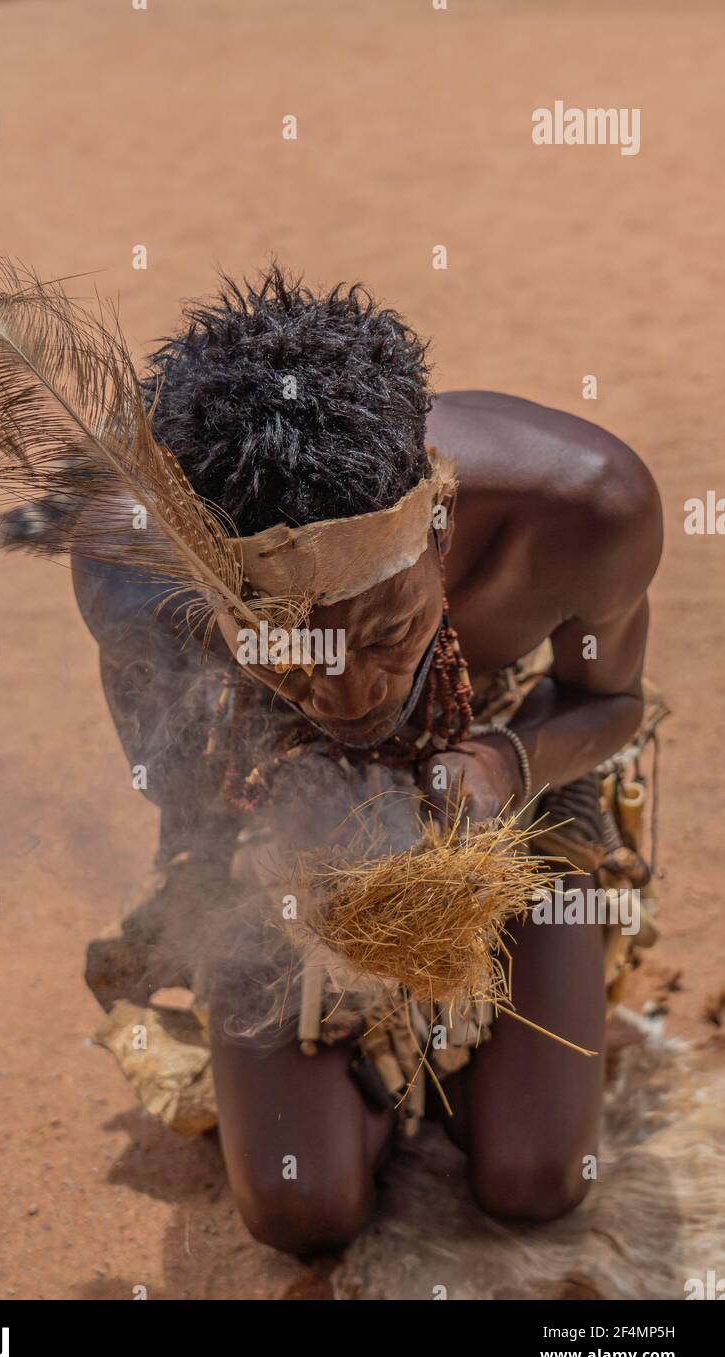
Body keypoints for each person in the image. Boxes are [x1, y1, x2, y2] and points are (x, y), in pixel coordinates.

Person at [51, 268, 662, 1255]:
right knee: (303, 1209)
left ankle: (477, 1050)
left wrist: (503, 763)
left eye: (389, 632)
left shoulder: (582, 510)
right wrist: (268, 817)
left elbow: (610, 703)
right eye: (284, 660)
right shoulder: (130, 567)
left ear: (436, 516)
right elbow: (175, 794)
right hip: (277, 834)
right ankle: (387, 1080)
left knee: (538, 1178)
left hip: (515, 785)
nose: (350, 697)